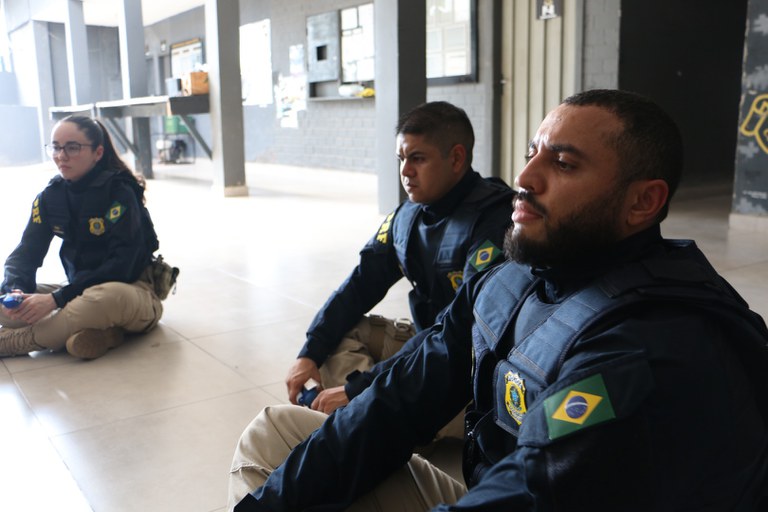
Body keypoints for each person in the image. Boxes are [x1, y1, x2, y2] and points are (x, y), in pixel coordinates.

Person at [229, 89, 768, 511]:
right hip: (498, 486)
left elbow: (533, 490)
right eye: (532, 153)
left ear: (643, 202)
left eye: (563, 163)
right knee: (275, 438)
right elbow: (392, 403)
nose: (525, 177)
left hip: (529, 496)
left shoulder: (651, 342)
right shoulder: (513, 275)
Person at [285, 101, 514, 414]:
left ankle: (365, 415)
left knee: (381, 393)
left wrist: (361, 387)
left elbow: (458, 334)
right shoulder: (405, 217)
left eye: (418, 159)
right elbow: (359, 286)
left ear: (457, 158)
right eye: (401, 159)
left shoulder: (496, 220)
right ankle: (364, 414)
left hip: (470, 366)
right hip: (424, 344)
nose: (405, 172)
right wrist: (309, 353)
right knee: (337, 336)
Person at [0, 115, 166, 360]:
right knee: (8, 302)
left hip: (130, 292)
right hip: (78, 292)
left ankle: (12, 343)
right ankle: (104, 334)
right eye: (56, 147)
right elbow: (26, 252)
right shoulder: (49, 197)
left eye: (72, 147)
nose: (61, 155)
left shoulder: (120, 192)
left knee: (99, 301)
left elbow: (123, 266)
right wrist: (15, 290)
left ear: (97, 153)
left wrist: (56, 299)